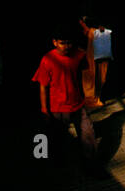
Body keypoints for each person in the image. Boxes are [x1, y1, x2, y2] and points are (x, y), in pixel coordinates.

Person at [31, 24, 98, 168]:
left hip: (77, 104)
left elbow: (84, 75)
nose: (66, 46)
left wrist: (87, 96)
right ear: (54, 42)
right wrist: (44, 110)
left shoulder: (79, 55)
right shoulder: (47, 60)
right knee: (58, 138)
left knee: (88, 135)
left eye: (69, 43)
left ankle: (91, 164)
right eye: (62, 43)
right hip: (57, 108)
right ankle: (58, 165)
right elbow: (43, 86)